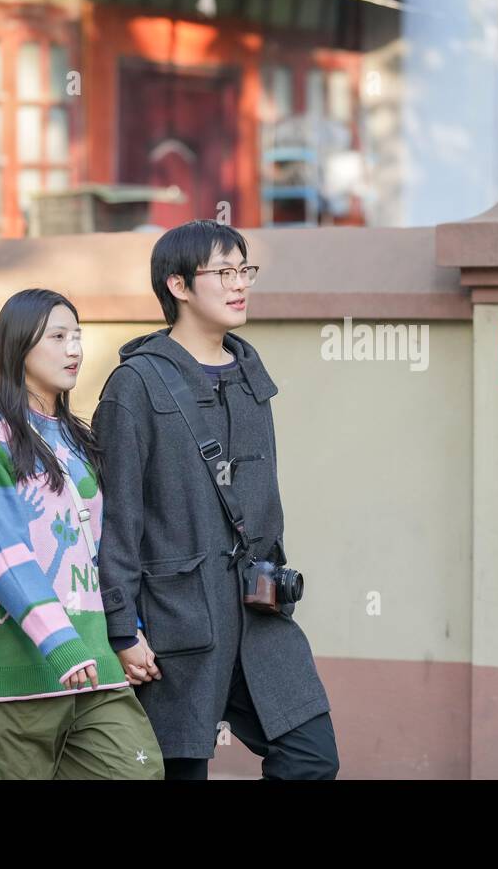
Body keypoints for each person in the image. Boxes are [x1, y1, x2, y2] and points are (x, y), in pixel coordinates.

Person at [94, 219, 339, 780]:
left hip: (259, 616)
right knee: (179, 775)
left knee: (311, 758)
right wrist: (122, 629)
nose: (240, 283)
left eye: (244, 269)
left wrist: (275, 578)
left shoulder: (251, 375)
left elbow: (264, 506)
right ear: (178, 285)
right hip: (178, 622)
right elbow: (119, 520)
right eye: (223, 272)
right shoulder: (135, 386)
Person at [0, 288, 164, 779]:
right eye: (58, 337)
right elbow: (3, 555)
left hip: (97, 666)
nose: (74, 350)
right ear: (18, 346)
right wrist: (60, 643)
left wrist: (128, 633)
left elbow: (104, 548)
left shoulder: (79, 439)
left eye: (78, 336)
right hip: (9, 676)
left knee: (139, 773)